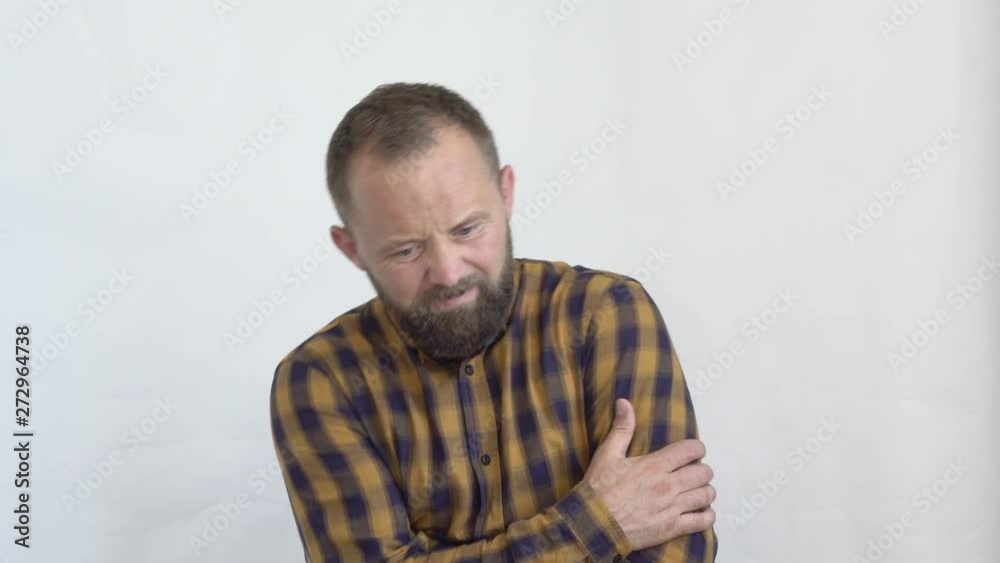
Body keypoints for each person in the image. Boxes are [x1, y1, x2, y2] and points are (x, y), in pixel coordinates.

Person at [269, 82, 718, 562]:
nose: (448, 272)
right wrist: (597, 525)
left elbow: (675, 554)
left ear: (505, 194)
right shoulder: (321, 381)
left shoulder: (606, 314)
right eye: (406, 249)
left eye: (467, 229)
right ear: (352, 248)